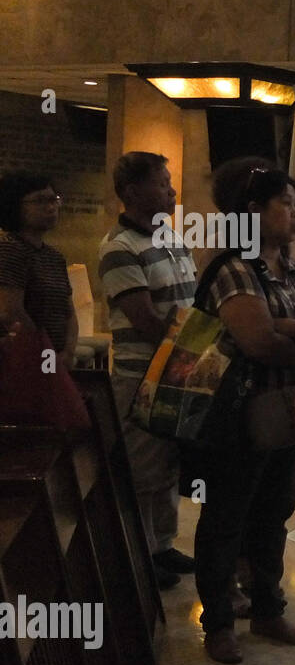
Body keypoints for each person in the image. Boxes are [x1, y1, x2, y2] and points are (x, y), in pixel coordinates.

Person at [193, 159, 295, 665]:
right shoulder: (233, 266)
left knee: (275, 514)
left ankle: (269, 608)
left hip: (285, 414)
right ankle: (219, 622)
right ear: (253, 211)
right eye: (286, 205)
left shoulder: (292, 268)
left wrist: (291, 329)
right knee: (227, 516)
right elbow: (257, 342)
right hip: (237, 414)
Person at [97, 152, 197, 589]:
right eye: (162, 183)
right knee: (143, 466)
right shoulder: (119, 248)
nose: (172, 191)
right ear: (133, 192)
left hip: (178, 365)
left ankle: (162, 544)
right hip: (144, 370)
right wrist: (196, 349)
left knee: (168, 462)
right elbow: (146, 319)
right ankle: (138, 552)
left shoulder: (170, 238)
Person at [0, 172, 76, 369]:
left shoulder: (54, 257)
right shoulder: (9, 249)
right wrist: (47, 354)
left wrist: (68, 352)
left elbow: (68, 311)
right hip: (24, 358)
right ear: (15, 205)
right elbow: (10, 311)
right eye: (40, 201)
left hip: (53, 357)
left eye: (54, 200)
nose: (51, 207)